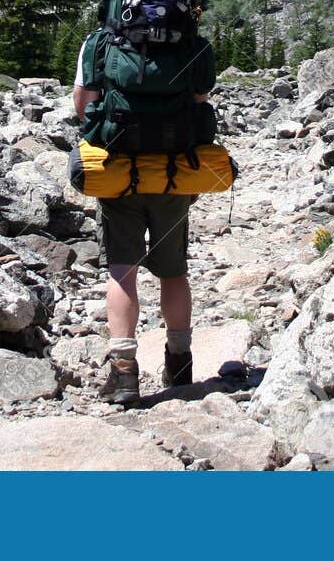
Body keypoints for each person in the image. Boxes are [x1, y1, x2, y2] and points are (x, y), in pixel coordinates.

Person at [73, 37, 214, 405]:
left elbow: (83, 104)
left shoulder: (100, 42)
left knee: (122, 271)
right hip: (173, 172)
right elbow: (200, 103)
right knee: (173, 271)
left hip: (119, 172)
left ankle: (124, 375)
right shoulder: (192, 43)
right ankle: (179, 364)